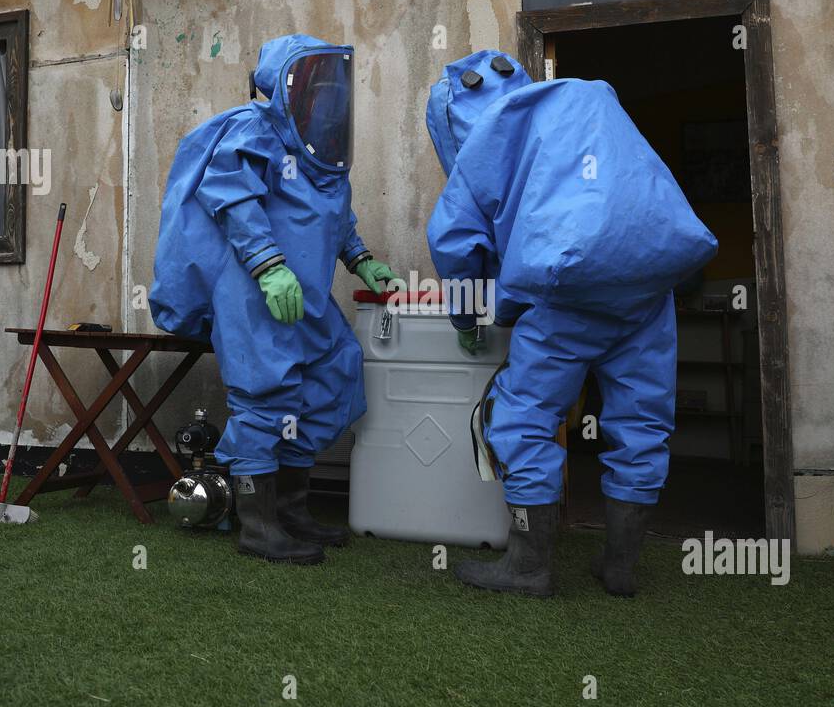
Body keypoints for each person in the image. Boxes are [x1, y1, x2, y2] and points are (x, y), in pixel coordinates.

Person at [425, 50, 717, 597]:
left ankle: (528, 566)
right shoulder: (588, 96)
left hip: (567, 295)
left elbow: (455, 241)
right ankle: (621, 566)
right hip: (649, 288)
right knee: (641, 423)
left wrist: (467, 316)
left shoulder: (486, 139)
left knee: (522, 419)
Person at [150, 34, 396, 565]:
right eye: (318, 86)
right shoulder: (252, 130)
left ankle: (292, 510)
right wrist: (266, 264)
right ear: (289, 89)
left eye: (334, 86)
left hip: (304, 292)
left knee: (336, 371)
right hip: (256, 289)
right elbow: (232, 198)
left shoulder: (323, 157)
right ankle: (258, 524)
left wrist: (361, 258)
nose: (329, 97)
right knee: (267, 395)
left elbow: (333, 216)